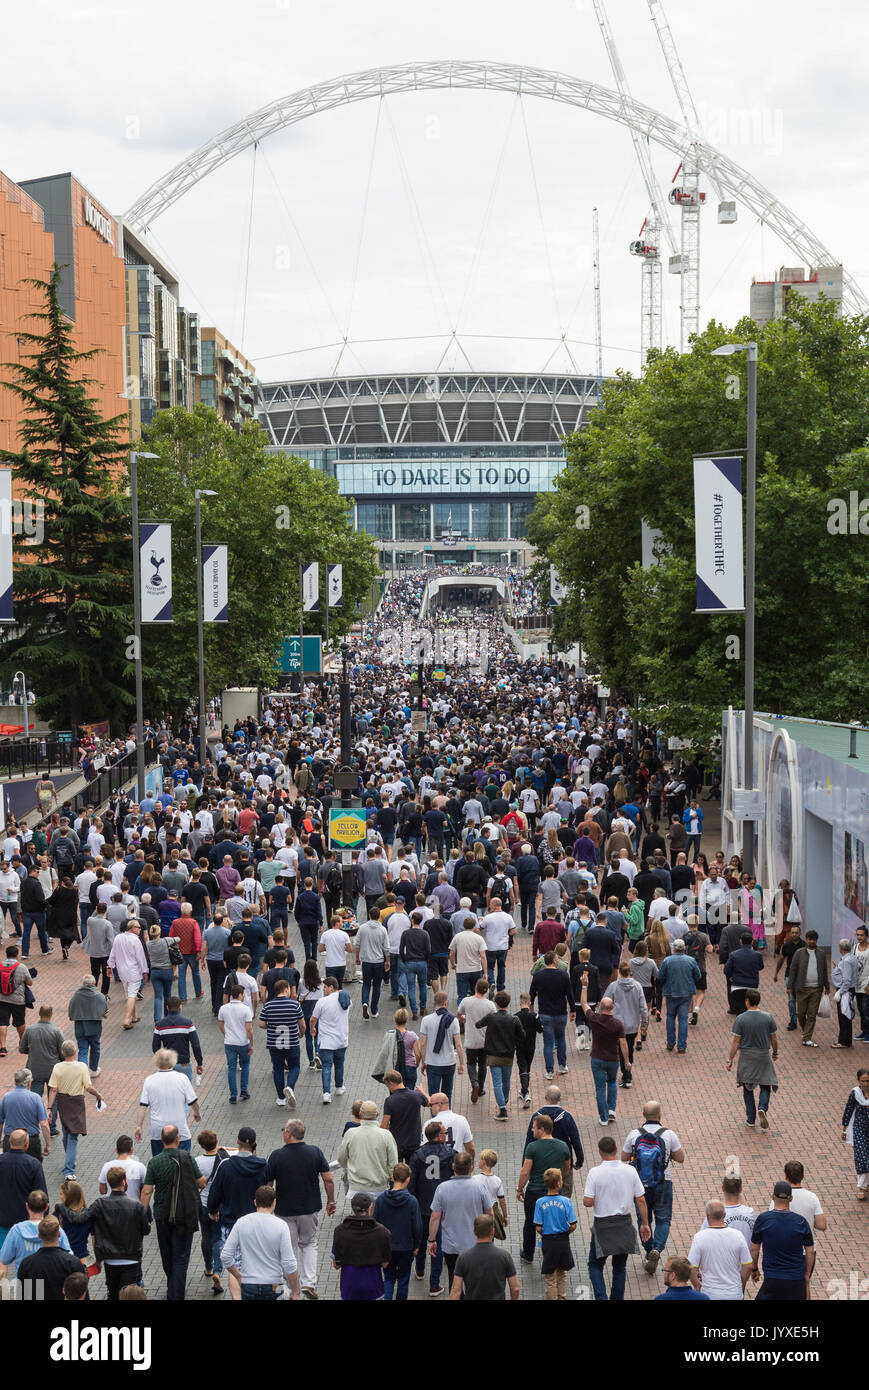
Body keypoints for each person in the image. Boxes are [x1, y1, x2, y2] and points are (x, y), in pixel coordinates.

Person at [267, 1118, 336, 1300]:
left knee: (287, 1248)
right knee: (309, 1243)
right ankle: (309, 1283)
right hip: (309, 1208)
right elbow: (328, 1179)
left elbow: (268, 1184)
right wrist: (331, 1201)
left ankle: (290, 1289)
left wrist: (268, 1207)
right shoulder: (315, 1152)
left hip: (284, 1210)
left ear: (289, 1134)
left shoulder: (276, 1156)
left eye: (284, 1130)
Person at [60, 1165, 152, 1300]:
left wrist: (61, 1207)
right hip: (131, 1258)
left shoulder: (100, 1204)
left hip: (110, 1259)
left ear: (109, 1183)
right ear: (124, 1182)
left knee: (113, 1294)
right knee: (129, 1295)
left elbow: (79, 1219)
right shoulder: (136, 1206)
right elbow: (146, 1230)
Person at [140, 1124, 207, 1301]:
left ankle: (173, 1285)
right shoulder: (187, 1157)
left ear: (162, 1141)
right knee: (181, 1256)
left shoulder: (154, 1162)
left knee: (167, 1254)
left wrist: (141, 1216)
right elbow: (201, 1183)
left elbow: (147, 1191)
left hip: (162, 1215)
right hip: (184, 1215)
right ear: (178, 1139)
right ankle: (175, 1293)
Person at [583, 1135, 650, 1302]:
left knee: (595, 1265)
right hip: (624, 1224)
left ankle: (601, 1297)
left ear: (600, 1152)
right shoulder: (630, 1170)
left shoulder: (595, 1173)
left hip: (603, 1226)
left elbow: (587, 1202)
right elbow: (641, 1199)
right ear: (616, 1150)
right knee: (619, 1267)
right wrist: (645, 1224)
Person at [622, 1100, 684, 1274]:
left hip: (639, 1185)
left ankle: (649, 1252)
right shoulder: (669, 1134)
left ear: (643, 1115)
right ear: (660, 1115)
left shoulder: (635, 1134)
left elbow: (624, 1156)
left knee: (644, 1220)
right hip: (663, 1183)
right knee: (663, 1220)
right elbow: (681, 1158)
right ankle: (657, 1249)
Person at [220, 1184, 300, 1300]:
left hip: (249, 1284)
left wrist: (238, 1276)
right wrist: (295, 1292)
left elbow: (226, 1256)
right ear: (274, 1202)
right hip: (274, 1284)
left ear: (255, 1202)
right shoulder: (281, 1225)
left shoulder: (242, 1222)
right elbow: (289, 1263)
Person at [428, 1150, 492, 1290]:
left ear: (453, 1167)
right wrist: (489, 1236)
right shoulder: (480, 1187)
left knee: (453, 1277)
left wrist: (432, 1240)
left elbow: (435, 1217)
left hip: (451, 1246)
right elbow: (489, 1214)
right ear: (471, 1168)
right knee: (474, 1280)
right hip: (475, 1243)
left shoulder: (442, 1188)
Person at [516, 1112, 571, 1265]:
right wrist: (557, 1179)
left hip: (534, 1191)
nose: (532, 1131)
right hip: (555, 1192)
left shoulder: (532, 1147)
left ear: (542, 1129)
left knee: (530, 1222)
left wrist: (520, 1188)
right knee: (552, 1222)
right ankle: (550, 1252)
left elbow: (525, 1171)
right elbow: (566, 1168)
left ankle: (528, 1253)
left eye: (534, 1128)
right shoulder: (563, 1146)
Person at [409, 1119, 455, 1297]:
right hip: (442, 1207)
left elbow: (411, 1182)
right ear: (438, 1136)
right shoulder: (451, 1153)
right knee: (438, 1244)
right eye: (444, 1133)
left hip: (422, 1206)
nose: (446, 1136)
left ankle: (419, 1270)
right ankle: (434, 1284)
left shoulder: (418, 1154)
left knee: (421, 1240)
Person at [749, 1181, 814, 1301]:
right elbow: (810, 1251)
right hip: (796, 1279)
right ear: (791, 1199)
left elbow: (754, 1248)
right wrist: (806, 1274)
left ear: (772, 1197)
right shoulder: (801, 1222)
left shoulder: (763, 1220)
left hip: (772, 1279)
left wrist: (754, 1268)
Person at [577, 976, 629, 1127]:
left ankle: (603, 1117)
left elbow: (584, 1004)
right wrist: (626, 1061)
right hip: (613, 1059)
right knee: (612, 1082)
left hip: (597, 1058)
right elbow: (623, 1043)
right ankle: (612, 1109)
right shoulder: (618, 1024)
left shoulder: (594, 1018)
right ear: (612, 1008)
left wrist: (585, 986)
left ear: (600, 1007)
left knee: (600, 1088)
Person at [47, 1042, 104, 1179]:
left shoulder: (57, 1067)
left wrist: (49, 1108)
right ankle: (69, 1170)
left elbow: (53, 1089)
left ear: (62, 1052)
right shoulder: (81, 1066)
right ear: (75, 1052)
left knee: (67, 1131)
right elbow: (88, 1087)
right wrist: (98, 1095)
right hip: (77, 1103)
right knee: (73, 1136)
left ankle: (69, 1158)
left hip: (62, 1102)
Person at [726, 988, 778, 1130]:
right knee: (766, 1084)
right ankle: (762, 1107)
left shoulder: (741, 1019)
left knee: (747, 1088)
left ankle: (750, 1118)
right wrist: (775, 1052)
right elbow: (774, 1038)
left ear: (747, 1001)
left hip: (747, 1057)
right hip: (763, 1056)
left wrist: (730, 1059)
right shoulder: (768, 1017)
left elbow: (736, 1041)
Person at [134, 1048, 201, 1154]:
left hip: (158, 1132)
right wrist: (197, 1114)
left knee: (159, 1163)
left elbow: (143, 1106)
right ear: (173, 1061)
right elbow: (193, 1102)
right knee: (183, 1163)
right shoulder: (182, 1078)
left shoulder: (149, 1081)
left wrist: (139, 1126)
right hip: (179, 1130)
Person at [373, 1163, 423, 1301]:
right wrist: (417, 1245)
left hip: (387, 1248)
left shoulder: (381, 1199)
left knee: (388, 1278)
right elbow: (417, 1226)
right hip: (406, 1247)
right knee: (404, 1279)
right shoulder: (412, 1202)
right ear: (408, 1179)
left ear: (392, 1177)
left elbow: (375, 1224)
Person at [475, 989, 527, 1119]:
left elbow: (478, 1024)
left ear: (496, 1003)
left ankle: (502, 1108)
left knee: (497, 1083)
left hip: (493, 1055)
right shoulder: (514, 1019)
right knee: (506, 1080)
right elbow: (522, 1035)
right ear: (508, 1003)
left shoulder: (491, 1017)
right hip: (508, 1055)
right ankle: (504, 1099)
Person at [332, 1191, 391, 1301]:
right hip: (373, 1288)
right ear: (370, 1208)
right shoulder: (383, 1232)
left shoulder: (340, 1231)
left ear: (352, 1208)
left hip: (349, 1289)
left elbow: (336, 1265)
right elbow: (385, 1263)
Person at [687, 1200, 752, 1300]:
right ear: (724, 1215)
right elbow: (748, 1266)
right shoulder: (738, 1235)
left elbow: (691, 1267)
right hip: (734, 1293)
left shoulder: (700, 1237)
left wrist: (697, 1285)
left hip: (709, 1294)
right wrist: (741, 1284)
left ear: (707, 1216)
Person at [450, 1212, 520, 1301]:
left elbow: (456, 1290)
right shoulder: (504, 1256)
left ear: (474, 1231)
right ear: (493, 1232)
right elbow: (515, 1288)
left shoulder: (463, 1257)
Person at [338, 1100, 398, 1201]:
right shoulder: (386, 1135)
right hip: (379, 1187)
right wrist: (390, 1178)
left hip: (356, 1187)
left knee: (359, 1215)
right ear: (377, 1114)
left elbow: (341, 1158)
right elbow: (393, 1162)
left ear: (360, 1114)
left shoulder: (350, 1133)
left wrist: (350, 1167)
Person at [529, 950, 575, 1079]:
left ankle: (549, 1071)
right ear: (555, 961)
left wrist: (531, 1008)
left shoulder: (538, 976)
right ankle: (562, 1065)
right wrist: (573, 1010)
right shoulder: (563, 975)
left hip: (545, 1013)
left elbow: (531, 994)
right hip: (560, 1013)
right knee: (561, 1039)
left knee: (548, 1043)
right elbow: (569, 994)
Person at [257, 979, 304, 1107]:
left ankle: (281, 1098)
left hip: (274, 1043)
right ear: (286, 989)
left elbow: (261, 1024)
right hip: (292, 1042)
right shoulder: (295, 1005)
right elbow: (302, 1024)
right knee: (294, 1067)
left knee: (278, 1069)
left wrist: (271, 1025)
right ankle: (289, 1087)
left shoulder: (268, 1006)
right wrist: (301, 1033)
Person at [19, 1005, 64, 1134]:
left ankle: (33, 1126)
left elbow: (22, 1048)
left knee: (34, 1098)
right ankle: (52, 1127)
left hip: (35, 1070)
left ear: (39, 1013)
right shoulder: (56, 1031)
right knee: (53, 1100)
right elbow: (62, 1052)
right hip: (53, 1070)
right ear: (51, 1014)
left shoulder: (30, 1030)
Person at [533, 1166, 577, 1300]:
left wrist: (546, 1233)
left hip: (548, 1241)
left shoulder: (540, 1202)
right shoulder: (566, 1201)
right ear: (559, 1183)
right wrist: (565, 1232)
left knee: (550, 1276)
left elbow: (538, 1227)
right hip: (563, 1241)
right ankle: (562, 1296)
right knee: (561, 1272)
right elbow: (573, 1225)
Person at [16, 1215, 83, 1301]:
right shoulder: (72, 1263)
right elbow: (81, 1294)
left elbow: (25, 1295)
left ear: (39, 1236)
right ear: (59, 1234)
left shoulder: (27, 1264)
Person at [310, 976, 352, 1104]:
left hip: (326, 1041)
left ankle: (326, 1093)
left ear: (331, 987)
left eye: (325, 988)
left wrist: (312, 1028)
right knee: (339, 1064)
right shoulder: (346, 1001)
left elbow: (313, 1019)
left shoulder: (322, 1002)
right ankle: (339, 1087)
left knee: (327, 1066)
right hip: (342, 1039)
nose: (323, 990)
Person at [0, 1130, 47, 1243]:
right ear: (26, 1144)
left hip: (2, 1220)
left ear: (10, 1142)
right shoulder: (33, 1164)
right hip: (26, 1222)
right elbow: (41, 1193)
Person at [656, 939, 701, 1054]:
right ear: (684, 948)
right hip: (686, 993)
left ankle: (670, 1043)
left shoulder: (667, 960)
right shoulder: (691, 960)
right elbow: (698, 975)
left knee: (670, 1017)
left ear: (674, 948)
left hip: (671, 993)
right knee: (683, 1019)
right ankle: (682, 1046)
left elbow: (660, 976)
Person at [418, 991, 464, 1102]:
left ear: (435, 1003)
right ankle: (446, 1117)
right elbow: (458, 1045)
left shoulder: (426, 1020)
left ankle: (435, 1117)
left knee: (433, 1096)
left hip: (433, 1063)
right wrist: (461, 1063)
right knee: (447, 1094)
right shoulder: (453, 1020)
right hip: (449, 1062)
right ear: (446, 1003)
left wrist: (424, 1061)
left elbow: (423, 1044)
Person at [458, 977, 496, 1105]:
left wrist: (463, 1018)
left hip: (471, 1040)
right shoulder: (490, 1005)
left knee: (471, 1064)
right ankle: (480, 1088)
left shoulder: (466, 1001)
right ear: (485, 991)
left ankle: (474, 1083)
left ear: (475, 987)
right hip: (484, 1041)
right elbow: (494, 1020)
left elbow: (458, 1013)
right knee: (483, 1065)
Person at [789, 930, 830, 1046]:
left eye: (814, 939)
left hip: (816, 989)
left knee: (811, 1015)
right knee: (801, 1013)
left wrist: (826, 986)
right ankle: (806, 1032)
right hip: (802, 989)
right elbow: (793, 970)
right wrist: (789, 986)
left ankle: (807, 1038)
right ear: (806, 939)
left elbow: (824, 971)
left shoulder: (821, 954)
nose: (811, 941)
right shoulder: (799, 953)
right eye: (809, 939)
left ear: (816, 940)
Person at [107, 920, 150, 1030]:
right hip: (133, 972)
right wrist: (145, 971)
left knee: (130, 994)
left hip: (122, 972)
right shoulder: (135, 940)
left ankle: (134, 1016)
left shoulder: (118, 938)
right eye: (138, 927)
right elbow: (140, 957)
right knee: (131, 995)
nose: (140, 929)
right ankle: (127, 1019)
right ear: (132, 928)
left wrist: (109, 966)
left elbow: (113, 953)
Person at [152, 995, 204, 1084]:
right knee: (186, 1093)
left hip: (167, 1065)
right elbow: (196, 1045)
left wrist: (163, 1061)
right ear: (180, 1007)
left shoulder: (159, 1025)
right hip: (184, 1064)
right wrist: (199, 1063)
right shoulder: (188, 1023)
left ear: (167, 1007)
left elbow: (155, 1047)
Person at [381, 1070, 430, 1162]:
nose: (388, 1088)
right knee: (412, 1171)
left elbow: (384, 1125)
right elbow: (431, 1103)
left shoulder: (390, 1101)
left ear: (391, 1083)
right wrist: (423, 1092)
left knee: (397, 1172)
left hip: (396, 1143)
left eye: (387, 1086)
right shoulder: (416, 1095)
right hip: (414, 1141)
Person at [217, 984, 254, 1104]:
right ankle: (244, 1091)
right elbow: (249, 1029)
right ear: (239, 995)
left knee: (231, 1068)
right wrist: (252, 1043)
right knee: (245, 1065)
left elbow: (221, 1025)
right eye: (243, 994)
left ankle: (233, 1095)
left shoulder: (223, 1008)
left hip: (229, 1043)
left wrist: (226, 1035)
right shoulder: (246, 1009)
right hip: (243, 1043)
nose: (244, 996)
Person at [67, 975, 108, 1076]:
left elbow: (70, 1013)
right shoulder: (99, 996)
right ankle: (94, 1069)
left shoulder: (76, 995)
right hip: (94, 1027)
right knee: (95, 1048)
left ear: (83, 984)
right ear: (94, 983)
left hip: (80, 1027)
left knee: (83, 1049)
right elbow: (106, 1014)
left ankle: (83, 1073)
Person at [841, 1066, 869, 1200]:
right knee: (862, 1157)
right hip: (859, 1129)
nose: (865, 1084)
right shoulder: (855, 1093)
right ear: (858, 1081)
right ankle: (862, 1187)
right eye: (863, 1081)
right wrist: (844, 1128)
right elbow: (848, 1109)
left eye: (868, 1081)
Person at [0, 944, 32, 1058]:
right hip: (18, 1000)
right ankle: (22, 1044)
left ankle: (2, 1047)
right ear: (17, 955)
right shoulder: (21, 967)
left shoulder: (0, 965)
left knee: (2, 1022)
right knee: (20, 1022)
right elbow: (29, 982)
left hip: (2, 998)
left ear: (6, 954)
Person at [773, 921, 805, 1031]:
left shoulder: (804, 945)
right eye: (793, 933)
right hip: (789, 976)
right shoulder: (786, 946)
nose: (794, 934)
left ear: (800, 934)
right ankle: (793, 1021)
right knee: (791, 999)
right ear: (790, 934)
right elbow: (781, 959)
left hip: (802, 977)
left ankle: (802, 1019)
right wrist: (776, 973)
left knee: (801, 999)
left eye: (796, 932)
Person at [723, 931, 764, 1015]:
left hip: (737, 986)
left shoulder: (734, 954)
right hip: (752, 986)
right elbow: (761, 967)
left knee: (739, 1011)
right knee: (751, 1010)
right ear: (752, 942)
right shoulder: (757, 955)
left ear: (740, 941)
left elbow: (726, 970)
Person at [832, 938, 859, 1049]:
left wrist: (841, 992)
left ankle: (843, 1041)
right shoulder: (851, 958)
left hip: (846, 991)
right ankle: (846, 1040)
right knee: (846, 1015)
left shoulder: (847, 961)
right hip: (849, 989)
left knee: (843, 1016)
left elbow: (847, 979)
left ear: (840, 948)